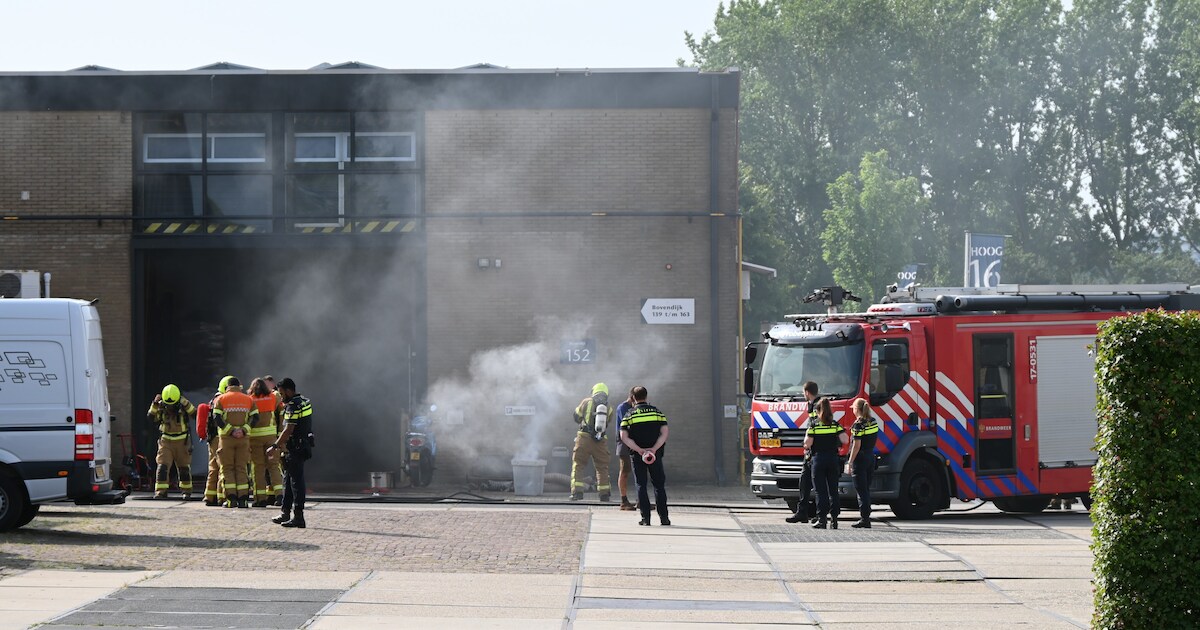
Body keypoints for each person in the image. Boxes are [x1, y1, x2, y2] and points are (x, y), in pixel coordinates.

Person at [619, 386, 670, 526]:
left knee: (641, 485)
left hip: (637, 456)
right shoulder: (657, 412)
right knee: (659, 485)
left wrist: (639, 450)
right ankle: (664, 518)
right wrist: (653, 449)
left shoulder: (629, 414)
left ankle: (646, 519)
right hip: (656, 455)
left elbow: (623, 436)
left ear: (633, 398)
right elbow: (665, 433)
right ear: (646, 396)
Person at [268, 378, 313, 529]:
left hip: (295, 448)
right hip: (302, 445)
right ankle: (285, 513)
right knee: (288, 480)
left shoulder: (292, 406)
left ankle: (298, 516)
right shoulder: (305, 401)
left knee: (296, 483)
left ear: (288, 391)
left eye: (281, 394)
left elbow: (288, 430)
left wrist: (274, 446)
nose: (281, 397)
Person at [213, 376, 259, 508]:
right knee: (241, 468)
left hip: (226, 439)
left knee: (227, 468)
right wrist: (243, 430)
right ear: (239, 386)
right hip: (243, 439)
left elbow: (217, 418)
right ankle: (243, 500)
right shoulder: (248, 399)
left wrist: (231, 431)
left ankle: (231, 500)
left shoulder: (220, 399)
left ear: (227, 387)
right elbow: (255, 417)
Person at [805, 397, 848, 529]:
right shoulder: (835, 425)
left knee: (820, 491)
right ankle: (834, 520)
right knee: (833, 490)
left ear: (818, 411)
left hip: (818, 460)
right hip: (832, 459)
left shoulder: (814, 425)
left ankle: (822, 519)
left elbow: (808, 444)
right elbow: (845, 439)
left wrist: (806, 442)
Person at [148, 384, 195, 500]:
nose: (170, 408)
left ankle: (186, 491)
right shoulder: (160, 405)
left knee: (184, 467)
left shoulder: (183, 404)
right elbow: (151, 417)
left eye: (172, 405)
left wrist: (186, 404)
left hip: (182, 440)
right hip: (166, 440)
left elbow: (195, 414)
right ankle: (160, 491)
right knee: (162, 466)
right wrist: (154, 404)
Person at [569, 382, 613, 502]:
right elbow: (607, 421)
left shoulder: (586, 402)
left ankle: (577, 493)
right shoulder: (608, 407)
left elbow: (576, 416)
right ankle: (604, 494)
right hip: (600, 441)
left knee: (578, 465)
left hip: (584, 438)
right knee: (602, 467)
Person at [786, 381, 821, 523]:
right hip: (810, 452)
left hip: (816, 451)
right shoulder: (812, 405)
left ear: (807, 392)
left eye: (803, 392)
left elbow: (816, 427)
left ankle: (820, 515)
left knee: (819, 485)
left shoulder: (819, 405)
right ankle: (802, 512)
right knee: (804, 482)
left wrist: (808, 442)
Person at [247, 377, 283, 507]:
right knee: (274, 466)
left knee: (258, 468)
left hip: (255, 438)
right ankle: (280, 495)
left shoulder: (250, 400)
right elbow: (280, 400)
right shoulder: (273, 397)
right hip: (271, 437)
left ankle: (260, 498)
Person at [846, 397, 879, 528]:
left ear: (857, 409)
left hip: (860, 460)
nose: (852, 410)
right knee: (866, 488)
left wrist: (850, 461)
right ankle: (866, 517)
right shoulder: (873, 421)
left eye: (853, 408)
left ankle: (865, 519)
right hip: (871, 457)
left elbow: (856, 445)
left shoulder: (857, 425)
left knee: (861, 490)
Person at [202, 376, 233, 507]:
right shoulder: (222, 400)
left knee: (213, 467)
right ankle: (221, 497)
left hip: (212, 437)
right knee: (223, 466)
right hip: (220, 437)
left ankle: (209, 496)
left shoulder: (214, 399)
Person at [614, 389, 637, 511]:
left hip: (634, 442)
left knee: (638, 470)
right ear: (632, 397)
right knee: (625, 470)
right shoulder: (622, 407)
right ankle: (624, 501)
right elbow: (628, 423)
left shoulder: (634, 407)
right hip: (623, 442)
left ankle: (640, 500)